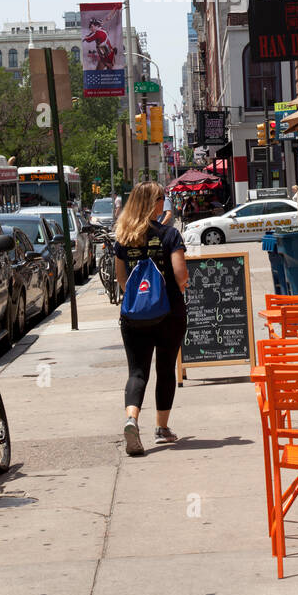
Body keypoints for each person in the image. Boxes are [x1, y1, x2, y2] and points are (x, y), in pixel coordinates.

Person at [114, 180, 189, 456]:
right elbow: (181, 276)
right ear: (152, 203)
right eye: (161, 198)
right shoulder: (170, 235)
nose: (163, 203)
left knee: (137, 372)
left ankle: (132, 419)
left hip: (134, 317)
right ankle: (161, 428)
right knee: (165, 368)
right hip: (169, 313)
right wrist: (179, 285)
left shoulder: (123, 238)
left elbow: (122, 282)